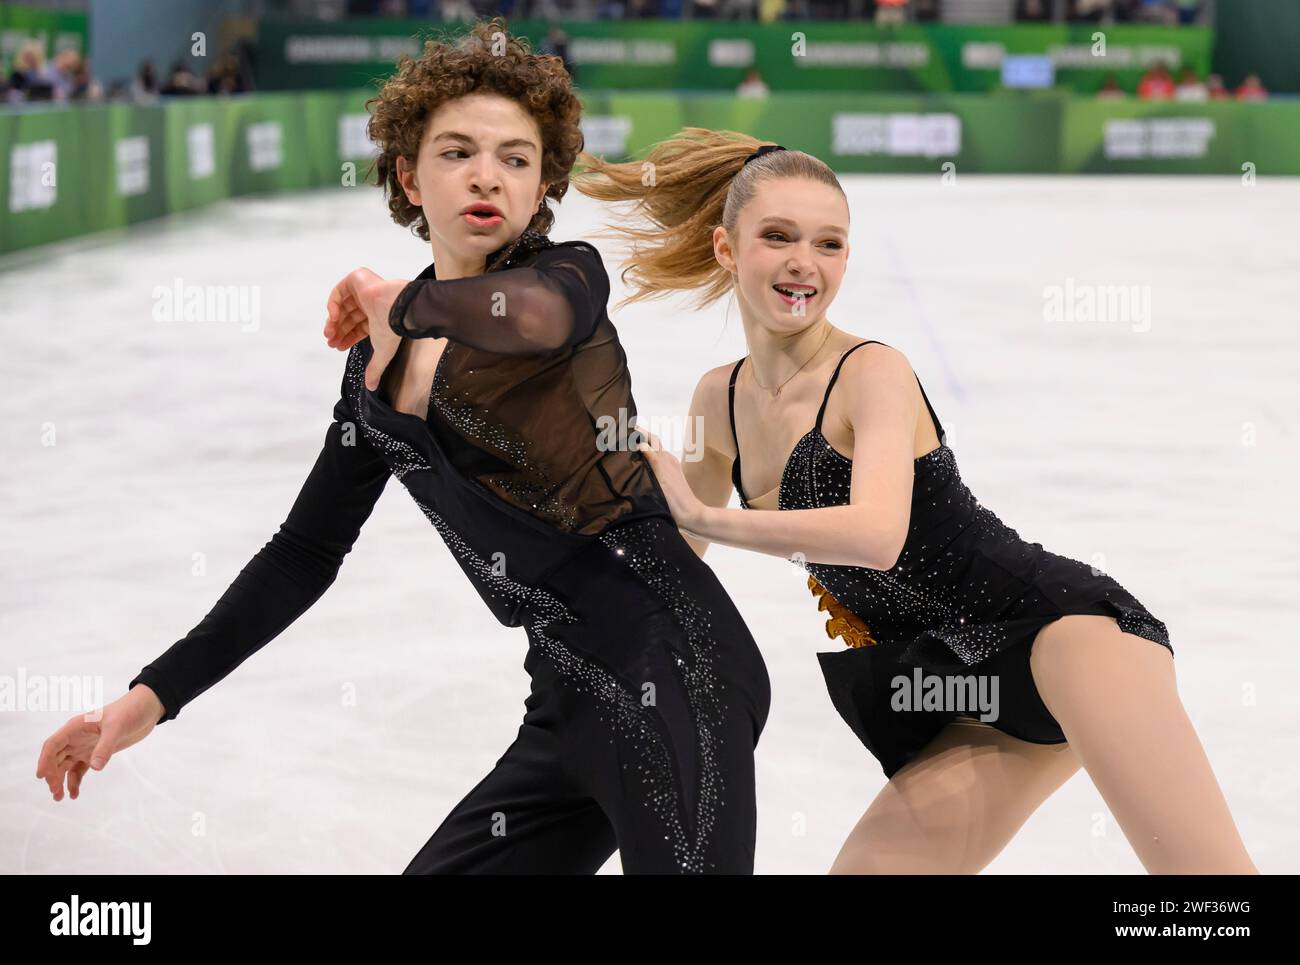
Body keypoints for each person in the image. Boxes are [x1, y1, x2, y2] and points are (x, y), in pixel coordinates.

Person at [35, 19, 771, 876]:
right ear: (407, 177)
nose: (487, 174)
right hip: (565, 700)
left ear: (541, 190)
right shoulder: (375, 372)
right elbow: (303, 552)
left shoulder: (565, 282)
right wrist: (149, 698)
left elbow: (532, 317)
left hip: (678, 671)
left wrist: (398, 305)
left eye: (516, 158)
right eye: (456, 151)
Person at [573, 129, 1259, 874]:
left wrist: (710, 515)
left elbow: (876, 535)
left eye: (829, 244)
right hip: (969, 688)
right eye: (778, 236)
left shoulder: (873, 372)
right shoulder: (721, 395)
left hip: (1073, 638)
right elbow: (678, 563)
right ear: (726, 249)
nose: (806, 262)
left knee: (1210, 900)